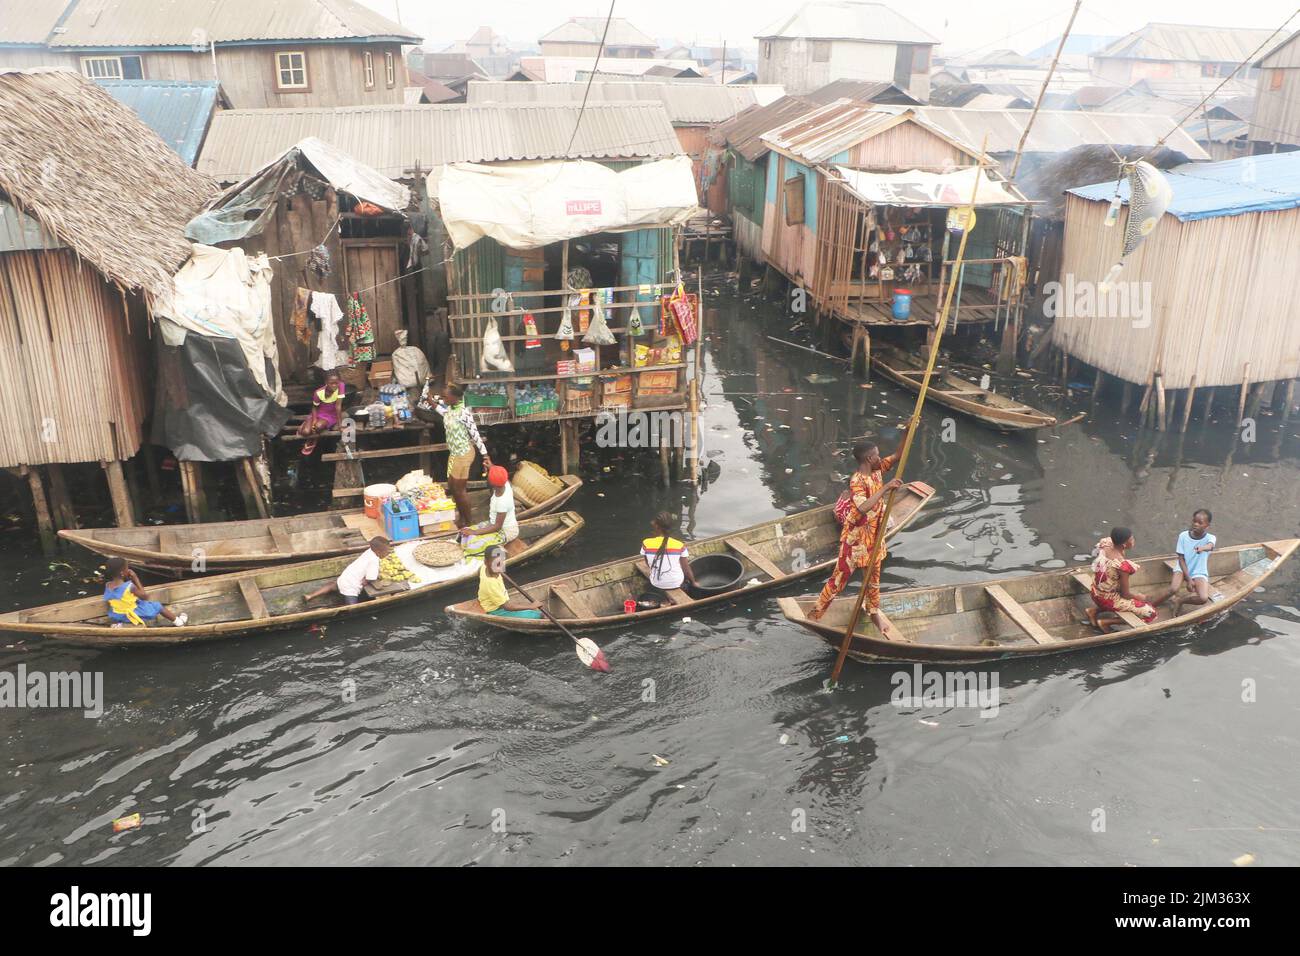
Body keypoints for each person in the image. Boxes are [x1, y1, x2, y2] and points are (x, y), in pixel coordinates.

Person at [807, 426, 909, 628]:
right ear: (869, 459)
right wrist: (887, 488)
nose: (881, 458)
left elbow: (899, 455)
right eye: (877, 456)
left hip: (874, 537)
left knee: (873, 581)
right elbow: (863, 507)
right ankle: (816, 613)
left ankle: (873, 613)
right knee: (838, 581)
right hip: (855, 541)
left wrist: (907, 431)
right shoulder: (857, 481)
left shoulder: (878, 470)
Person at [436, 383, 492, 527]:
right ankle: (461, 518)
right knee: (452, 486)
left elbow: (475, 434)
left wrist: (485, 455)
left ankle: (468, 522)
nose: (443, 398)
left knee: (460, 489)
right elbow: (442, 412)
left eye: (445, 396)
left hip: (464, 454)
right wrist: (431, 402)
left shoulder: (464, 413)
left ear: (455, 397)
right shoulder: (449, 409)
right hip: (454, 454)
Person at [1086, 526, 1158, 632]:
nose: (1134, 541)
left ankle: (1093, 611)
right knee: (1151, 613)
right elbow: (1125, 595)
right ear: (1124, 545)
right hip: (1107, 599)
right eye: (1132, 540)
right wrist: (1139, 597)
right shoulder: (1122, 566)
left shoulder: (1106, 543)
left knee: (1120, 592)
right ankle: (1106, 622)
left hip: (1095, 591)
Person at [1153, 509, 1216, 614]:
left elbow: (1210, 546)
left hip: (1199, 571)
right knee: (1173, 589)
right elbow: (1181, 559)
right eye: (1194, 521)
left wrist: (1202, 548)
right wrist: (1189, 579)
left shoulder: (1210, 538)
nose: (1196, 524)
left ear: (1207, 525)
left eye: (1200, 523)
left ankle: (1180, 601)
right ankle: (1151, 606)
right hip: (1182, 568)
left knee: (1203, 598)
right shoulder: (1183, 536)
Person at [302, 536, 391, 605]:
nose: (388, 553)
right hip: (351, 585)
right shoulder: (374, 560)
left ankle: (310, 596)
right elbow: (371, 577)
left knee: (332, 586)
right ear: (379, 551)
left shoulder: (369, 551)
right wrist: (366, 581)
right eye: (387, 551)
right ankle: (350, 613)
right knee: (353, 606)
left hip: (345, 577)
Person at [103, 558, 188, 627]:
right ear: (122, 573)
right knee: (157, 606)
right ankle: (178, 622)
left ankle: (120, 624)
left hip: (117, 614)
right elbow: (145, 596)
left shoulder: (108, 585)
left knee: (141, 603)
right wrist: (136, 579)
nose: (128, 570)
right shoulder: (130, 586)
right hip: (130, 614)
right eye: (127, 568)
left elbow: (121, 594)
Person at [458, 465, 518, 558]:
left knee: (472, 547)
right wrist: (489, 465)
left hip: (505, 532)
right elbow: (498, 473)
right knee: (464, 532)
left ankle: (497, 555)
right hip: (493, 524)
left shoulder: (502, 502)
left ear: (493, 484)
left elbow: (497, 527)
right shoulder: (505, 483)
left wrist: (474, 532)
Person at [639, 511, 698, 604]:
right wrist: (694, 583)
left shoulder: (646, 543)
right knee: (686, 580)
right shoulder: (679, 545)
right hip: (677, 583)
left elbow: (648, 564)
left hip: (656, 584)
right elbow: (686, 569)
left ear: (656, 526)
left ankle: (664, 599)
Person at [477, 545, 543, 618]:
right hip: (496, 610)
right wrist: (531, 606)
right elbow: (507, 607)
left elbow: (480, 570)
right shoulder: (490, 584)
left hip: (494, 598)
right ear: (486, 562)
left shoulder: (484, 566)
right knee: (538, 615)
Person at [297, 370, 346, 456]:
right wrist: (314, 420)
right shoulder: (318, 393)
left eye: (336, 383)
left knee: (318, 427)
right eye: (331, 383)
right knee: (305, 432)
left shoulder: (341, 386)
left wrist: (340, 425)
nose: (335, 385)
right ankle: (305, 424)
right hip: (318, 413)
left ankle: (313, 439)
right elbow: (314, 408)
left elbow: (338, 407)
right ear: (326, 382)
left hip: (331, 415)